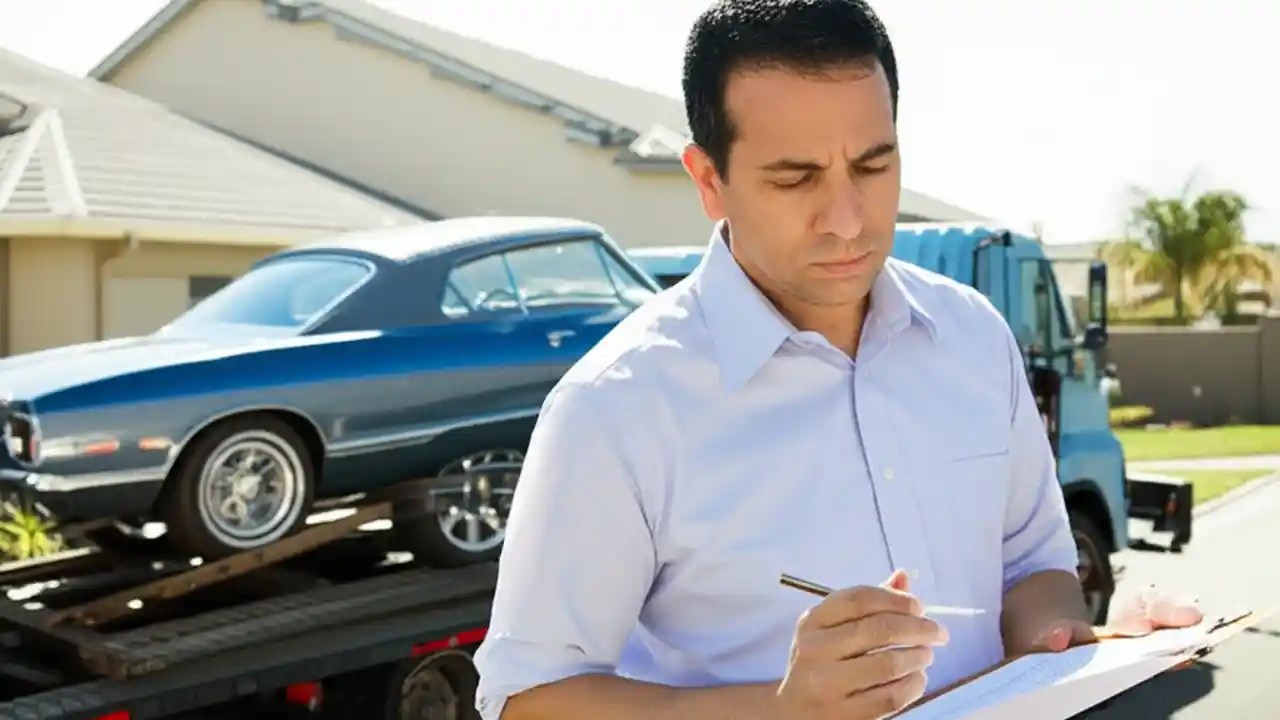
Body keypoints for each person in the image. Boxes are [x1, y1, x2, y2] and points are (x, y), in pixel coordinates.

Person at [472, 2, 1202, 718]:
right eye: (796, 179)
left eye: (873, 165)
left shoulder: (973, 338)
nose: (848, 219)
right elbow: (530, 699)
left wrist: (1073, 646)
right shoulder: (616, 407)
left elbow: (1033, 565)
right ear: (708, 181)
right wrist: (781, 710)